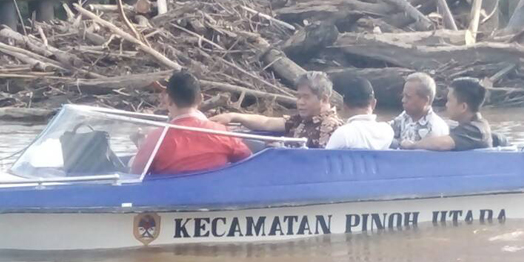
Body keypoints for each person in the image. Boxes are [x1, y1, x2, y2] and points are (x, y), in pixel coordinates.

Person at [131, 71, 252, 174]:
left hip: (173, 198)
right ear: (200, 99)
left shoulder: (156, 139)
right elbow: (249, 162)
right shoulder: (222, 132)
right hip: (216, 194)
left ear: (168, 100)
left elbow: (135, 174)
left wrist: (141, 146)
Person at [211, 71, 342, 148]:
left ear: (324, 99)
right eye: (298, 97)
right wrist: (233, 116)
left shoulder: (330, 126)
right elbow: (266, 123)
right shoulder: (301, 120)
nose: (300, 102)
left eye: (306, 97)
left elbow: (320, 162)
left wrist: (281, 149)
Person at [401, 77, 493, 151]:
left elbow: (442, 144)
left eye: (449, 100)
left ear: (463, 107)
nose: (446, 105)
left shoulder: (476, 130)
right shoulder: (469, 128)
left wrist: (412, 145)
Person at [325, 77, 393, 150]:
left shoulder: (343, 134)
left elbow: (325, 159)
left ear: (344, 106)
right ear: (373, 103)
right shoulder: (387, 131)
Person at [388, 73, 449, 148]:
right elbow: (387, 129)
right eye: (403, 96)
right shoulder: (406, 116)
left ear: (426, 100)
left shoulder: (435, 129)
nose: (403, 100)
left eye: (408, 97)